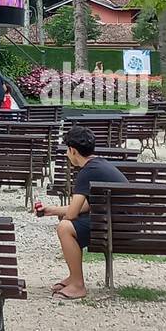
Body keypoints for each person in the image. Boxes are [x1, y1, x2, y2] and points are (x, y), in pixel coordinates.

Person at [37, 126, 127, 299]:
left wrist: (62, 215)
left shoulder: (87, 172)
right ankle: (73, 277)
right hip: (124, 222)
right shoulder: (98, 164)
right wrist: (51, 210)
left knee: (65, 227)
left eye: (67, 151)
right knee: (68, 223)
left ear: (73, 150)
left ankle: (78, 285)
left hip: (118, 227)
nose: (66, 155)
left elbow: (72, 214)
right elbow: (85, 206)